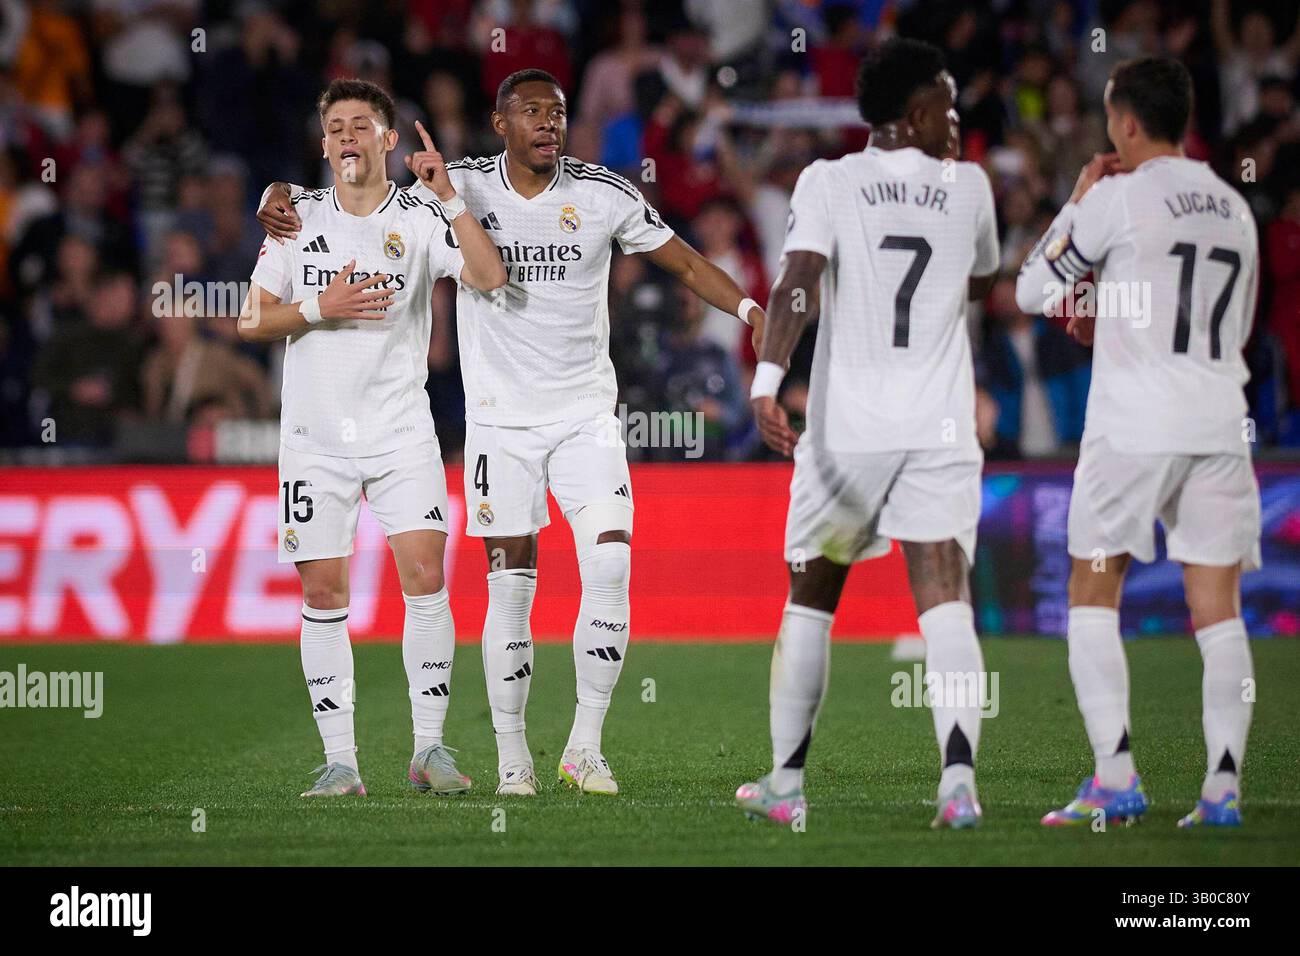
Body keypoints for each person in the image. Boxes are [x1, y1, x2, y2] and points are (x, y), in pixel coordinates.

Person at [257, 68, 764, 797]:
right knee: (509, 594)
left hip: (587, 414)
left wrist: (750, 311)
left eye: (556, 112)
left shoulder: (602, 194)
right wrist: (273, 196)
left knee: (613, 566)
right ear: (501, 124)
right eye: (530, 111)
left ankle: (584, 745)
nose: (546, 123)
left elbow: (681, 260)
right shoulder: (453, 187)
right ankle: (513, 758)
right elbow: (349, 189)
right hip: (499, 423)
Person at [735, 38, 999, 829]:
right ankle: (958, 785)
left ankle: (786, 787)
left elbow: (796, 284)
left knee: (811, 599)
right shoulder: (971, 186)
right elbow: (982, 277)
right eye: (948, 107)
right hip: (940, 424)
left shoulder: (831, 180)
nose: (956, 121)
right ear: (915, 113)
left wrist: (766, 382)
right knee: (945, 595)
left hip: (849, 429)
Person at [239, 78, 506, 799]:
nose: (348, 137)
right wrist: (319, 305)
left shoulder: (419, 217)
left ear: (389, 140)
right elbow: (250, 320)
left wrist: (450, 195)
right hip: (313, 438)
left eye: (362, 125)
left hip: (399, 432)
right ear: (323, 144)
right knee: (324, 593)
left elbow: (489, 276)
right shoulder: (295, 219)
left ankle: (430, 750)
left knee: (427, 579)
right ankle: (341, 764)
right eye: (336, 128)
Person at [1015, 57, 1260, 828]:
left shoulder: (1116, 198)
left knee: (1093, 595)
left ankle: (1115, 777)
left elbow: (1031, 289)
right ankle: (1222, 790)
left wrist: (1079, 197)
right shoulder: (1233, 205)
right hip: (1220, 422)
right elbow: (1235, 322)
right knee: (1218, 610)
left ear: (1122, 121)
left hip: (1132, 428)